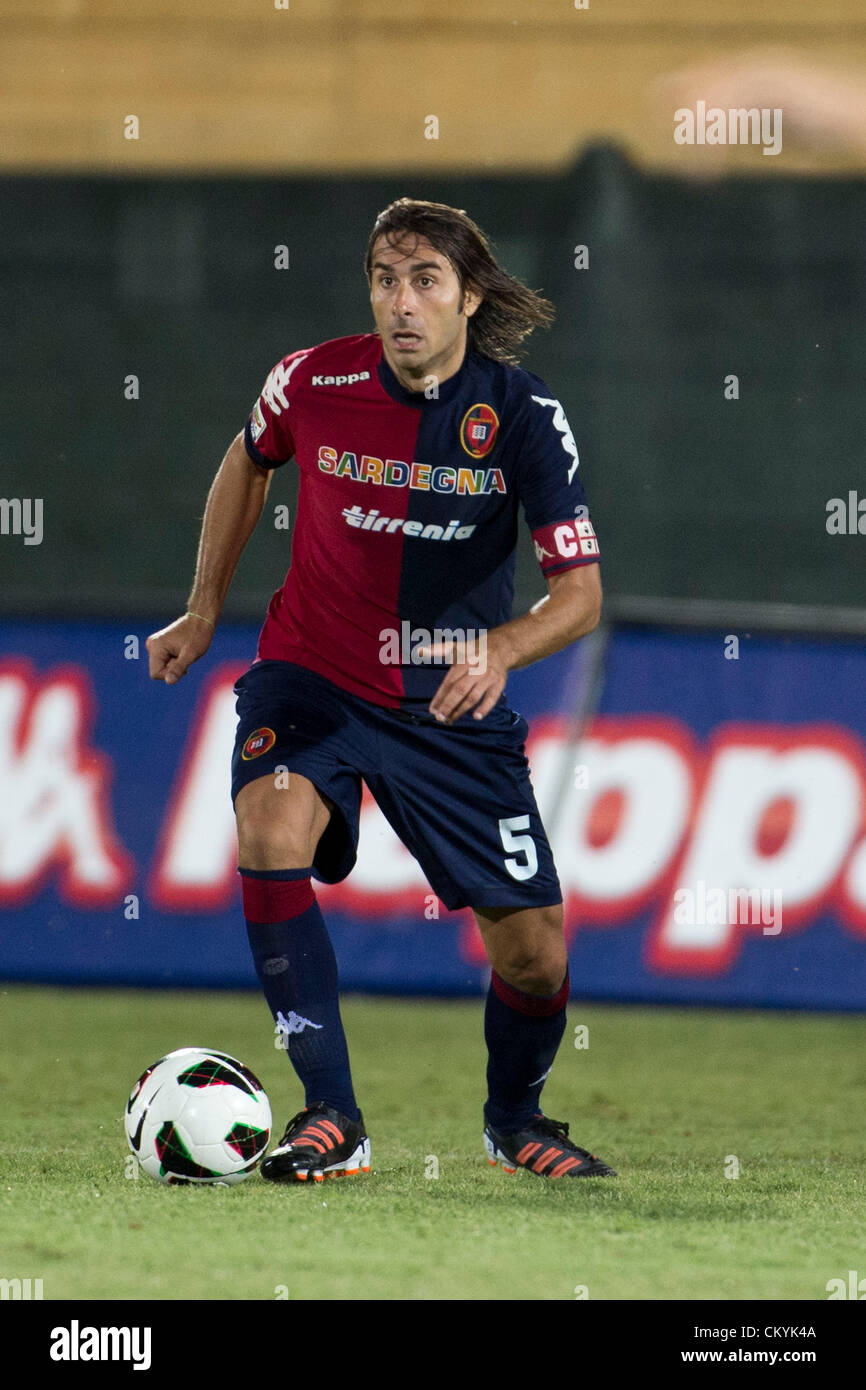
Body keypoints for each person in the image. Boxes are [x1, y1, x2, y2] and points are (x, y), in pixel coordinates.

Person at [146, 197, 615, 1182]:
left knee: (533, 954)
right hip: (310, 676)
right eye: (385, 280)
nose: (401, 304)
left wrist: (499, 650)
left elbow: (578, 597)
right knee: (267, 826)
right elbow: (247, 460)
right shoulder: (309, 380)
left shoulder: (522, 417)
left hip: (445, 705)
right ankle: (332, 1114)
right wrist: (200, 610)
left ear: (467, 295)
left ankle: (514, 1118)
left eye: (425, 282)